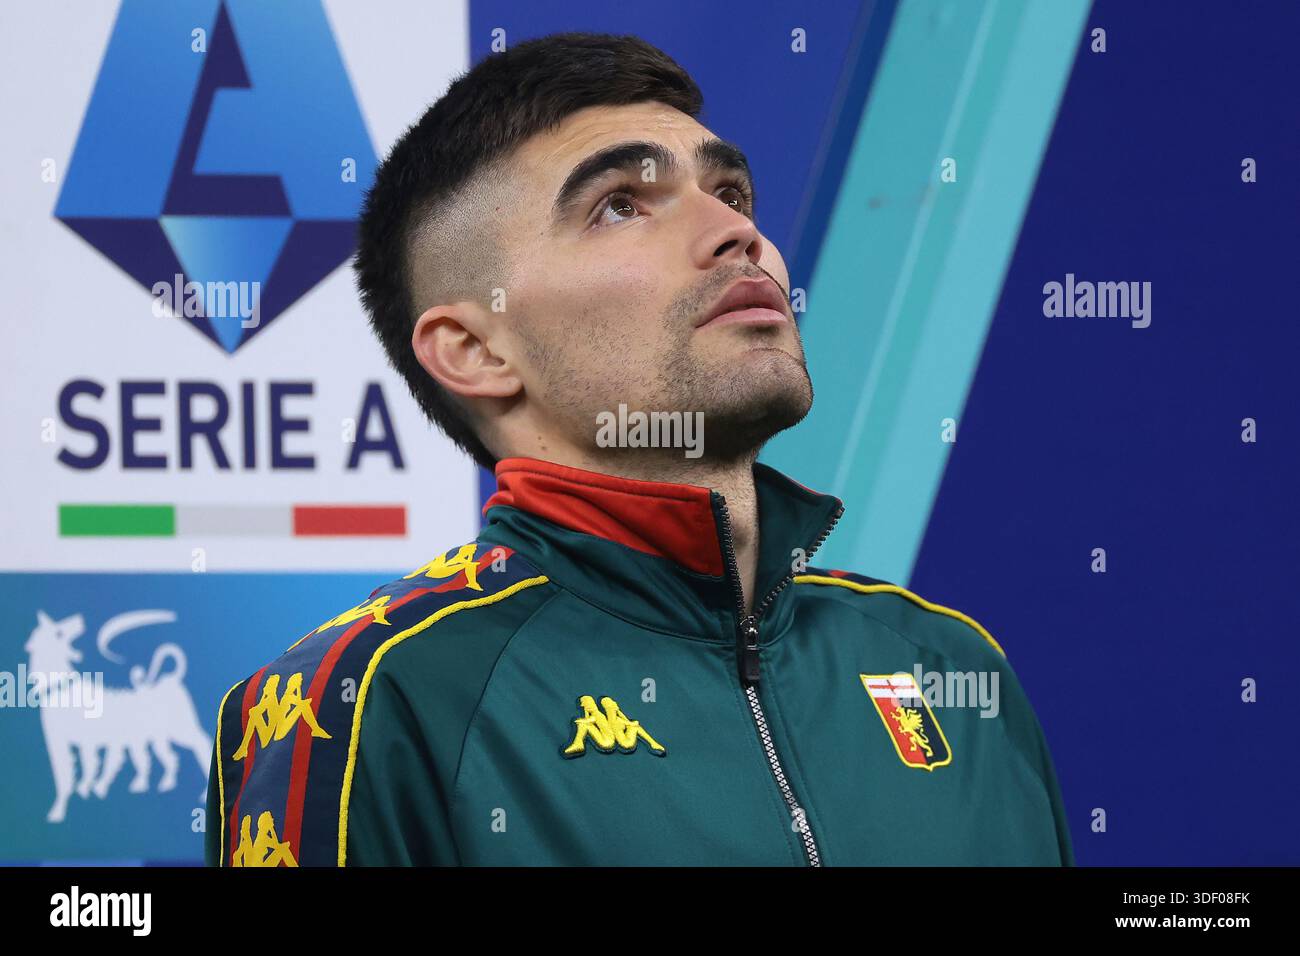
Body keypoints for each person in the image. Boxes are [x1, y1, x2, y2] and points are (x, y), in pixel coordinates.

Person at [204, 32, 1073, 867]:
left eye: (731, 195)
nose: (741, 238)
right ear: (476, 352)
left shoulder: (947, 664)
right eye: (621, 205)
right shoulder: (366, 700)